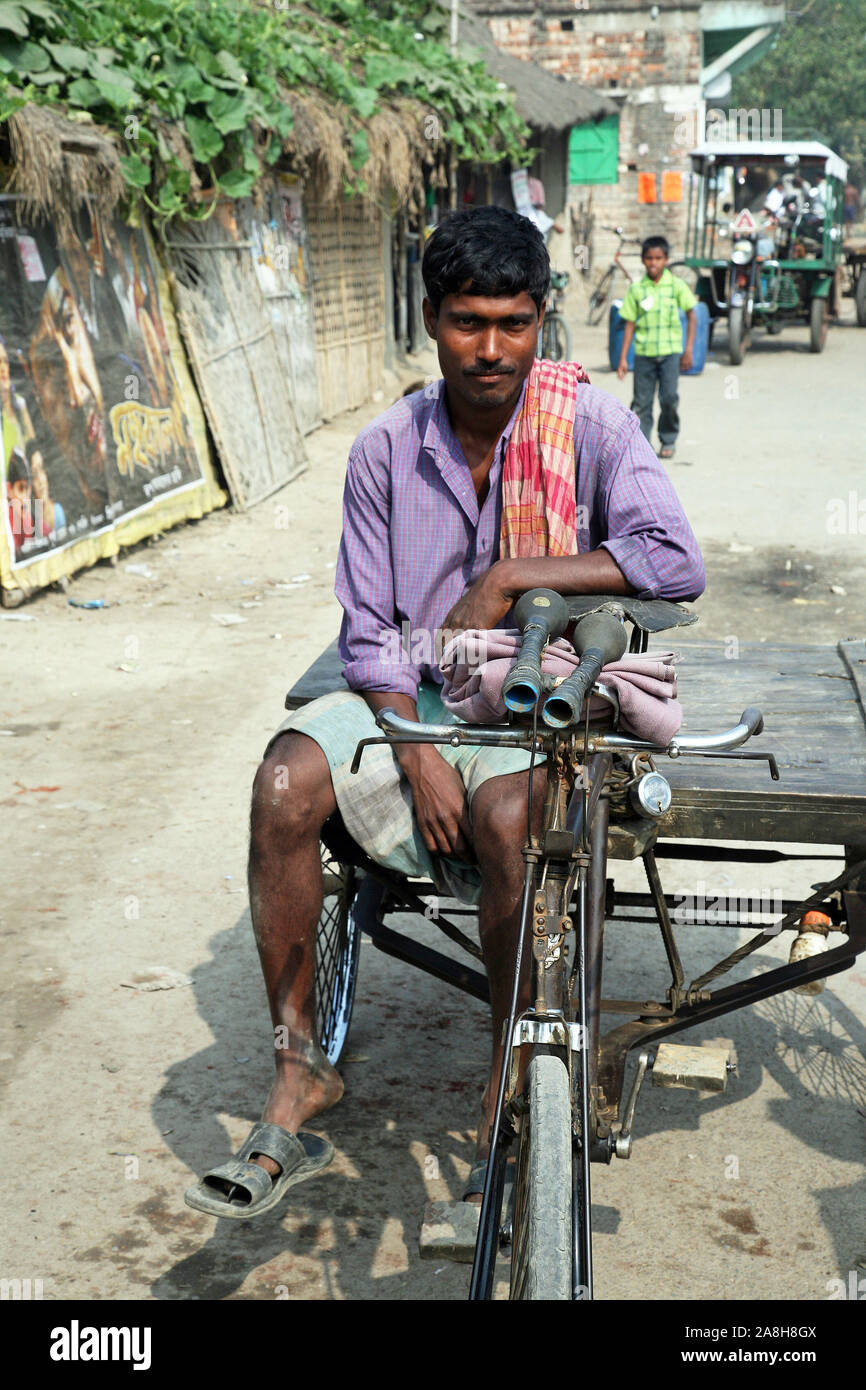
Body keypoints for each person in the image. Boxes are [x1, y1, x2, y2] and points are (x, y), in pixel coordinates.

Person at [184, 205, 706, 1219]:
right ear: (430, 319)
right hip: (402, 693)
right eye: (467, 321)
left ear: (542, 317)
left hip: (529, 689)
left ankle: (508, 1074)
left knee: (512, 820)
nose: (490, 348)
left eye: (512, 322)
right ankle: (300, 1068)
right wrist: (415, 753)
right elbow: (368, 631)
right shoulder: (384, 449)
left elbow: (673, 560)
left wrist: (517, 572)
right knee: (283, 781)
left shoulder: (588, 426)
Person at [616, 235, 697, 461]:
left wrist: (688, 349)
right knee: (642, 403)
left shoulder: (676, 286)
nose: (654, 263)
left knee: (669, 398)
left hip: (671, 353)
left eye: (658, 258)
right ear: (643, 260)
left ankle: (668, 438)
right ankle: (642, 446)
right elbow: (629, 324)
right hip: (644, 355)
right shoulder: (637, 290)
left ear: (666, 260)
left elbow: (692, 315)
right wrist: (623, 358)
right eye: (649, 258)